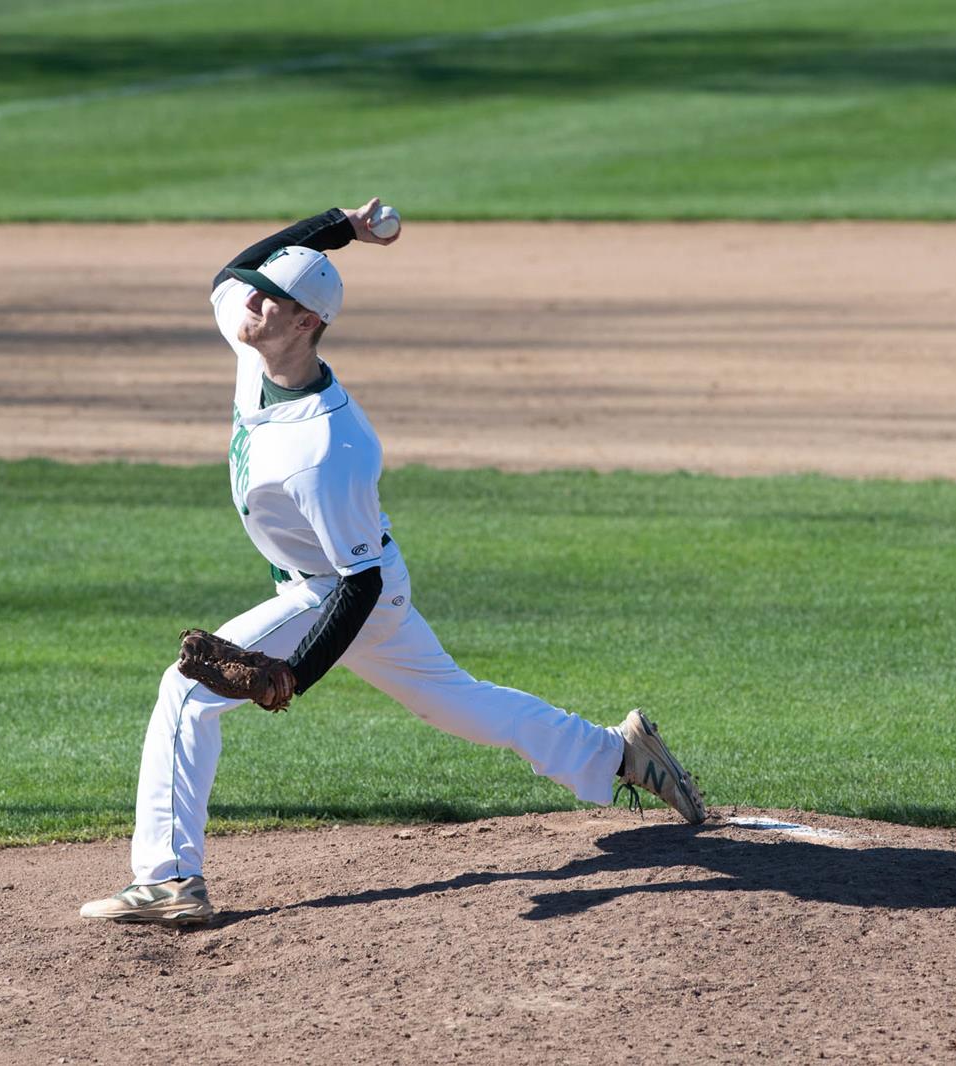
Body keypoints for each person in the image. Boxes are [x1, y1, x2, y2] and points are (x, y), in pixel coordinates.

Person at [80, 200, 705, 925]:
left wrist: (296, 675)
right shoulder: (252, 333)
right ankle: (616, 753)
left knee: (185, 695)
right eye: (256, 291)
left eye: (272, 297)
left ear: (307, 322)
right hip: (353, 587)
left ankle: (169, 881)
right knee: (462, 703)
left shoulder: (330, 447)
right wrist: (341, 223)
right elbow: (233, 271)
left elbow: (359, 584)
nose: (250, 300)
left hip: (345, 596)